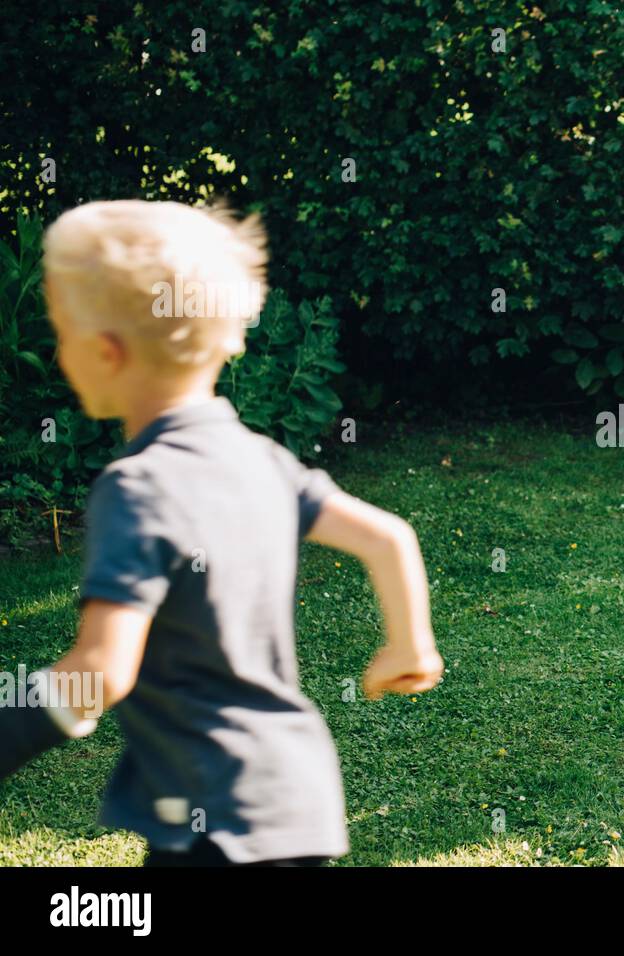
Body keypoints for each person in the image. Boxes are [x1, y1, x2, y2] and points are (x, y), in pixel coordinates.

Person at [0, 200, 444, 864]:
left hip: (212, 817)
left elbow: (101, 671)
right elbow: (389, 538)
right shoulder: (262, 460)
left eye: (60, 332)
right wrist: (408, 646)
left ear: (104, 351)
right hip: (295, 797)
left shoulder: (138, 486)